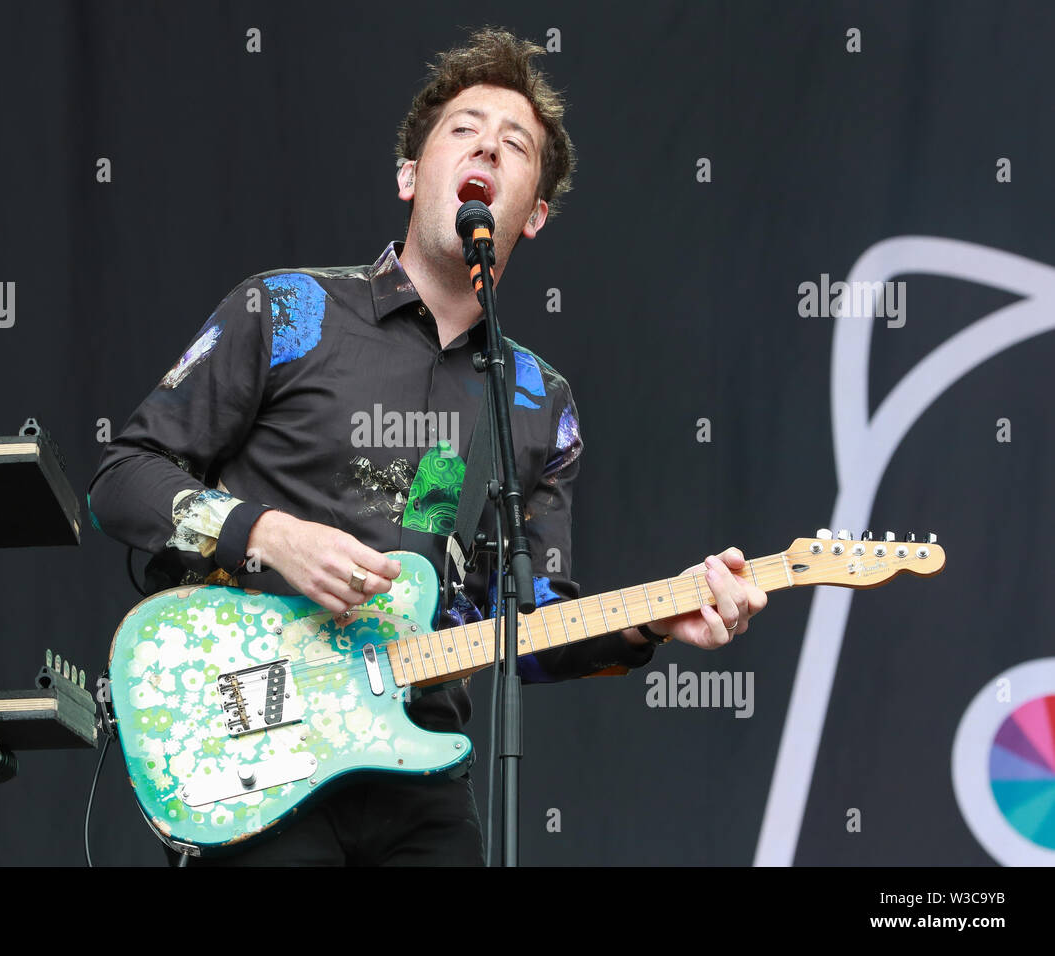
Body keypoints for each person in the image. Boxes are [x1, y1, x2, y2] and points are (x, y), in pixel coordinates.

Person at [86, 27, 767, 866]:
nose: (488, 144)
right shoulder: (288, 311)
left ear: (535, 213)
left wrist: (653, 621)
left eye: (515, 146)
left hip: (419, 773)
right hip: (259, 747)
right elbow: (121, 480)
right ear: (412, 176)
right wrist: (269, 534)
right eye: (464, 128)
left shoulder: (537, 403)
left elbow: (525, 625)